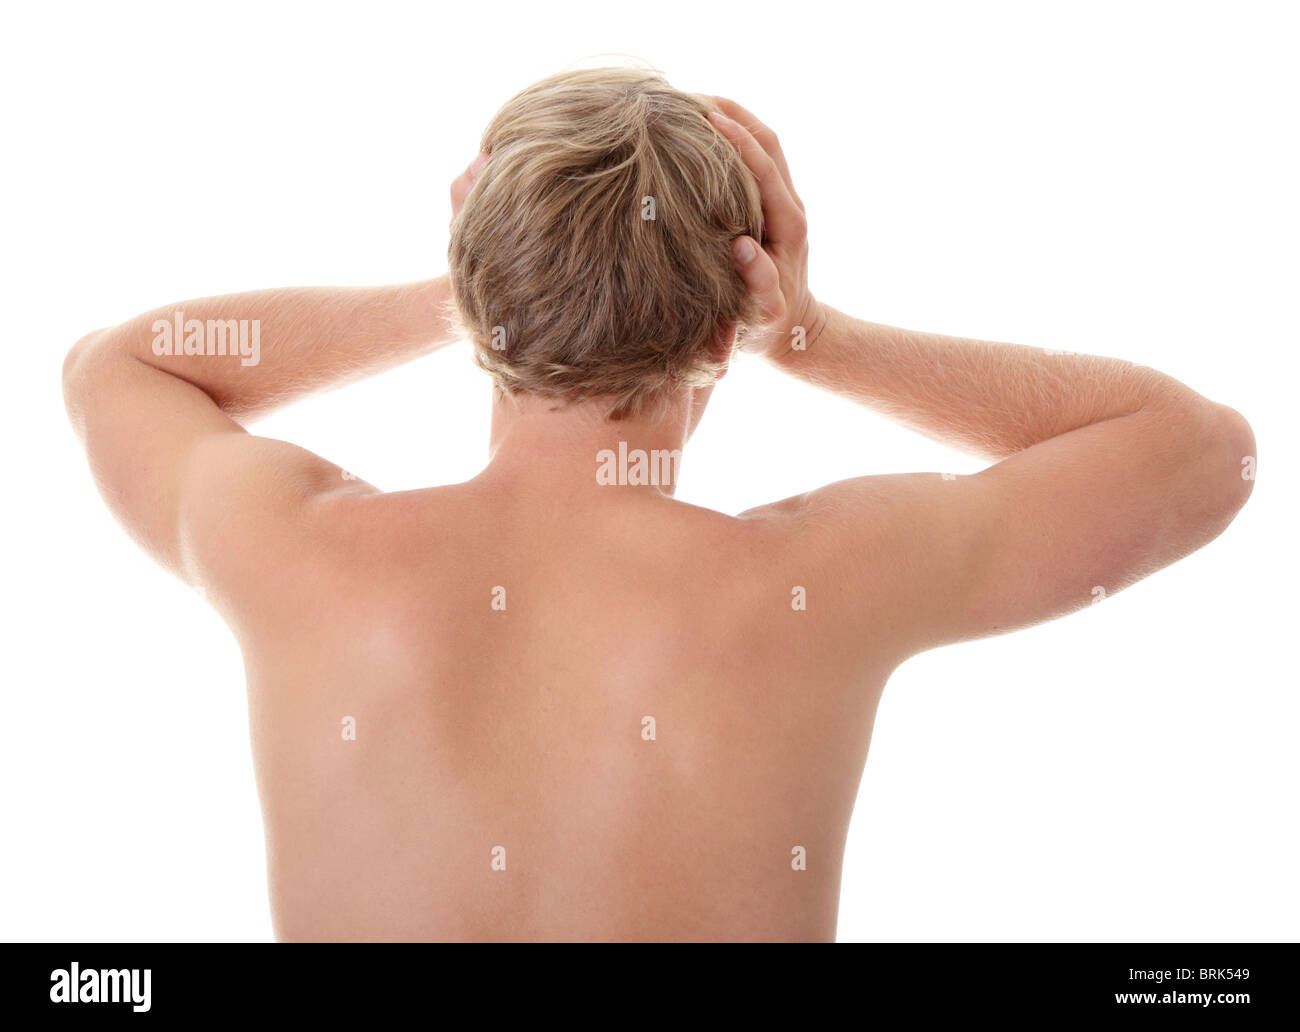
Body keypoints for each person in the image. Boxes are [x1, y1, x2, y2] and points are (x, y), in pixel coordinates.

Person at [62, 68, 1255, 941]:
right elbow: (1205, 456)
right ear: (725, 329)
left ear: (485, 304)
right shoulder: (816, 586)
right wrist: (815, 335)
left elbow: (115, 367)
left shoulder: (292, 550)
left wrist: (490, 278)